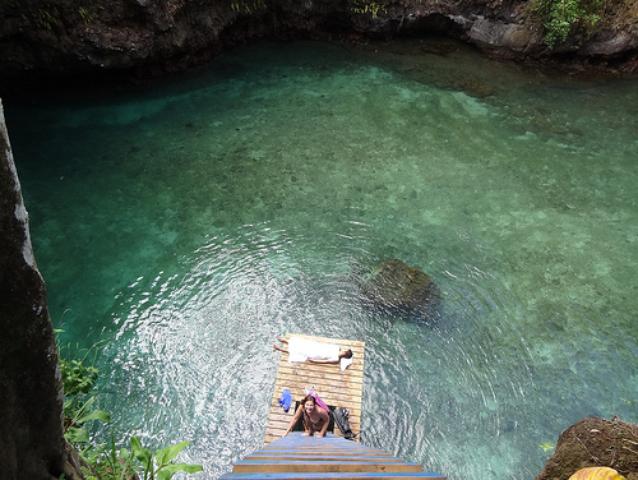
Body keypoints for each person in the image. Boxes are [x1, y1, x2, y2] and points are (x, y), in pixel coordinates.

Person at [273, 336, 354, 370]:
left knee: (299, 350)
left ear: (345, 354)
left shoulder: (337, 357)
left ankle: (280, 346)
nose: (344, 352)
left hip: (317, 352)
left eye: (345, 352)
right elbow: (325, 360)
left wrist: (314, 361)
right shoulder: (338, 353)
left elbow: (325, 362)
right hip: (317, 350)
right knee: (299, 348)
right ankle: (282, 343)